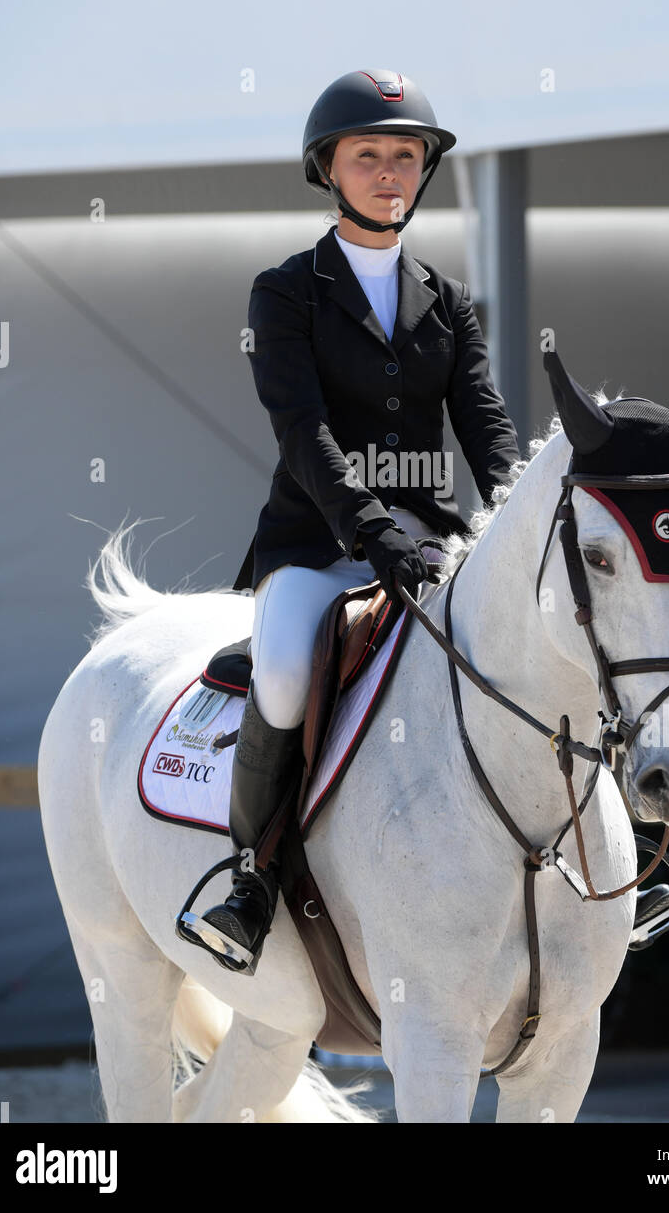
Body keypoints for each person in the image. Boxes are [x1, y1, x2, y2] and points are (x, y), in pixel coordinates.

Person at [181, 68, 522, 975]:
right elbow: (304, 433)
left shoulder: (449, 302)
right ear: (328, 168)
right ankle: (250, 881)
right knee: (287, 674)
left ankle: (592, 868)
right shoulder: (284, 293)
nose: (388, 171)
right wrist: (373, 531)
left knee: (535, 644)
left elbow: (483, 423)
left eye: (404, 156)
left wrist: (518, 512)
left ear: (423, 172)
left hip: (433, 546)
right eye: (367, 155)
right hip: (318, 544)